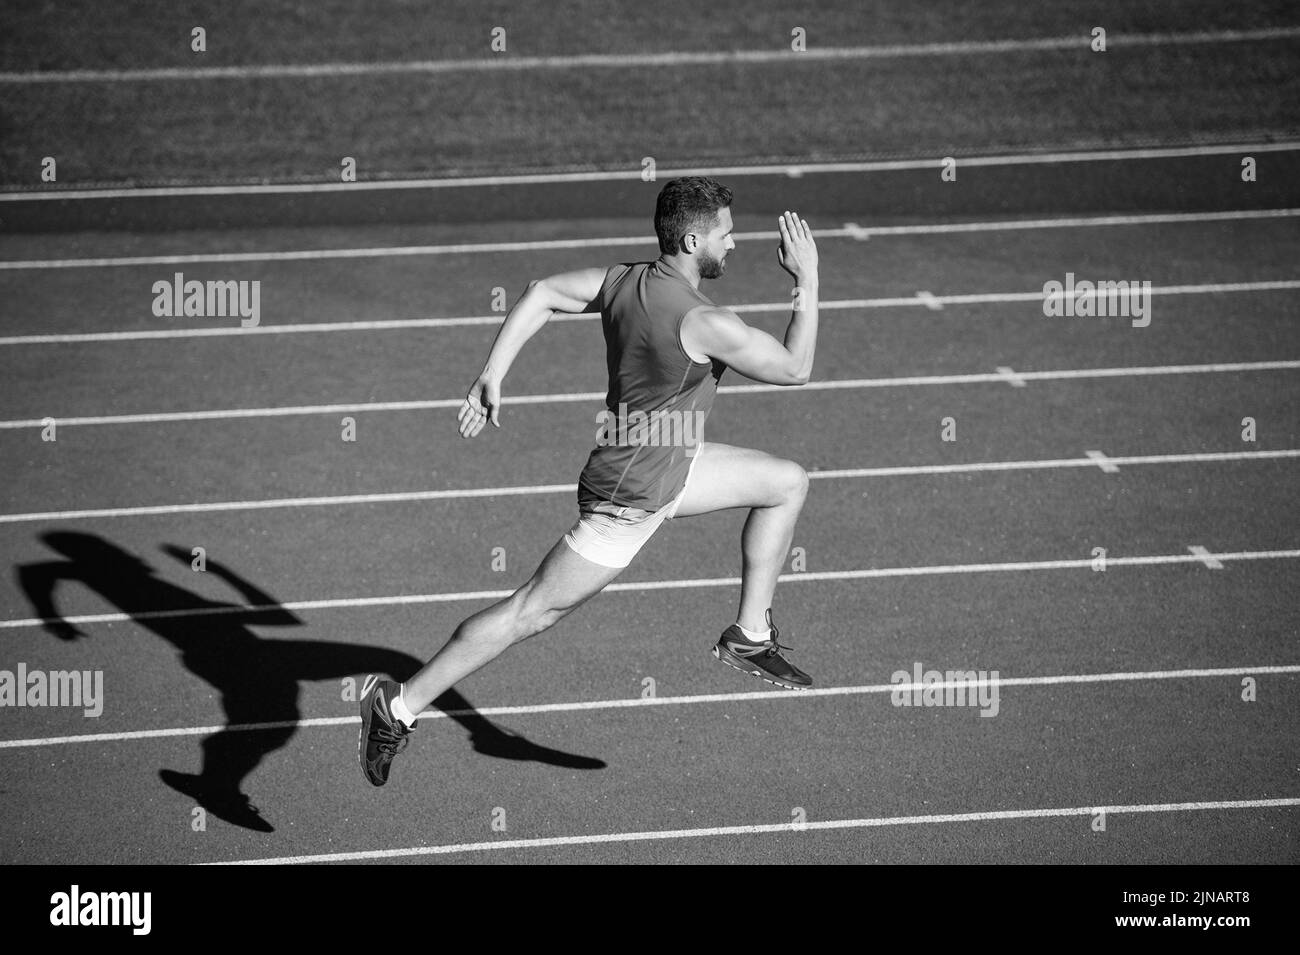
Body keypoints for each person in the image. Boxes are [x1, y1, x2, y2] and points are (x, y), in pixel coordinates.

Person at [360, 177, 819, 786]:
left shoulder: (626, 280)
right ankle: (396, 705)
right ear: (691, 238)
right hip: (629, 498)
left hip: (670, 462)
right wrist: (806, 281)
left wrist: (491, 374)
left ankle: (750, 635)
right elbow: (795, 368)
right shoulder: (706, 321)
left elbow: (542, 292)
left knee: (786, 482)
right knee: (529, 612)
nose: (735, 244)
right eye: (726, 234)